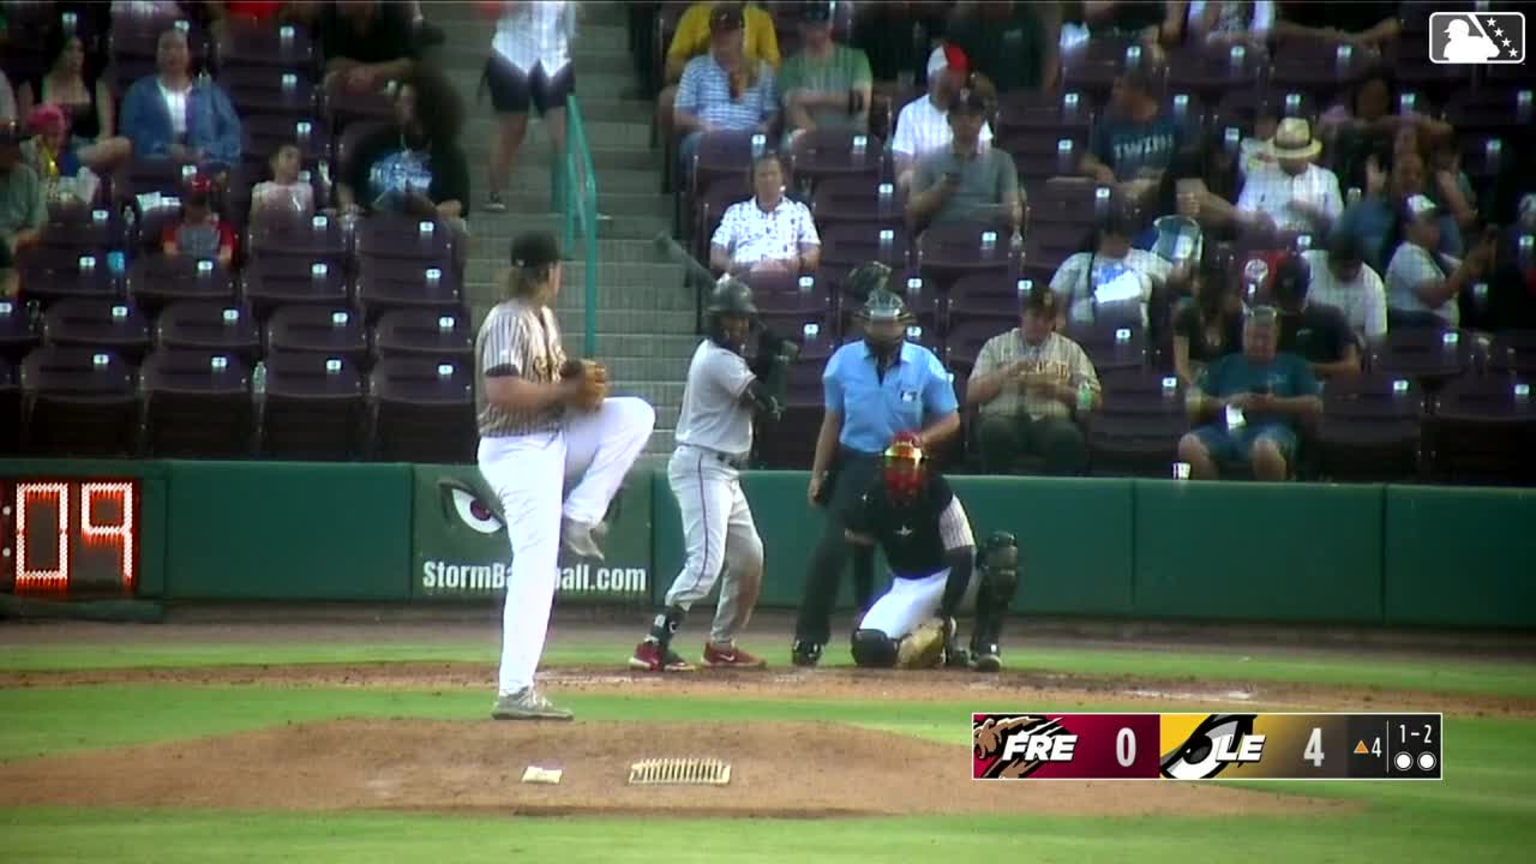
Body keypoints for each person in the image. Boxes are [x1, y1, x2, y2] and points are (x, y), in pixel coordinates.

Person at [476, 230, 657, 720]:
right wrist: (566, 390)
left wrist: (574, 379)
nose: (562, 275)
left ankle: (578, 514)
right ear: (545, 272)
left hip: (551, 440)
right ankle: (514, 691)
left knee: (634, 415)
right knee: (535, 566)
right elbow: (502, 392)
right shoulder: (506, 319)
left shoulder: (544, 318)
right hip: (514, 449)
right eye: (557, 267)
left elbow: (554, 382)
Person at [792, 266, 961, 667]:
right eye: (877, 323)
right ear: (864, 323)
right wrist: (818, 473)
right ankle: (809, 637)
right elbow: (832, 421)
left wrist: (922, 439)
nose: (883, 330)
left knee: (910, 549)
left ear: (903, 324)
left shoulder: (925, 364)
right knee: (833, 548)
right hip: (855, 461)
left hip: (906, 463)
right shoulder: (843, 362)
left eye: (890, 323)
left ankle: (921, 626)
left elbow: (951, 419)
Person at [629, 277, 797, 673]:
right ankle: (654, 643)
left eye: (742, 320)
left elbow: (756, 388)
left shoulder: (727, 358)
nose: (737, 327)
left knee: (749, 557)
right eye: (731, 320)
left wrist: (768, 361)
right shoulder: (717, 359)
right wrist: (780, 364)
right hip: (703, 466)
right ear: (716, 321)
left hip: (724, 472)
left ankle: (721, 643)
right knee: (705, 564)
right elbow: (770, 405)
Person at [845, 433, 1020, 673]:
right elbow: (861, 557)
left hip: (950, 577)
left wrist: (943, 615)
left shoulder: (938, 491)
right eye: (895, 463)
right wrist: (863, 607)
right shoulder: (873, 498)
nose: (901, 471)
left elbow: (962, 558)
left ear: (921, 465)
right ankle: (936, 650)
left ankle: (984, 644)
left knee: (1003, 553)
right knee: (870, 648)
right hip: (906, 586)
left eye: (907, 464)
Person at [338, 65, 471, 269]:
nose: (399, 105)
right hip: (372, 221)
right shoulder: (374, 141)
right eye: (399, 99)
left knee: (458, 229)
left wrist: (432, 210)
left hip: (423, 227)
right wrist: (348, 206)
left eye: (407, 102)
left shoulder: (448, 153)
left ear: (426, 107)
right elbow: (345, 182)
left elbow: (458, 203)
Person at [966, 285, 1100, 476]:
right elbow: (972, 395)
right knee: (994, 432)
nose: (1040, 324)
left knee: (1067, 437)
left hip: (1051, 420)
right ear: (1023, 314)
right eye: (1035, 316)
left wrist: (1056, 390)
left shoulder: (1070, 350)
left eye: (1047, 319)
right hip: (1004, 417)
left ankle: (1054, 498)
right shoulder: (995, 346)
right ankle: (998, 496)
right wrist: (1007, 372)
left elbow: (1094, 399)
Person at [1177, 306, 1322, 482]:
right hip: (1224, 431)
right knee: (1189, 446)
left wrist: (1272, 404)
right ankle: (1217, 503)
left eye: (1265, 338)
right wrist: (1226, 402)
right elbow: (1193, 400)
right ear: (1243, 336)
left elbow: (1315, 404)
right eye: (1253, 337)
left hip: (1274, 431)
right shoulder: (1226, 364)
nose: (1258, 343)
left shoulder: (1293, 365)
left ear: (1276, 338)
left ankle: (1268, 507)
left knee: (1264, 450)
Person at [479, 0, 577, 213]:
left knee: (563, 132)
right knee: (513, 129)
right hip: (511, 54)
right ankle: (495, 193)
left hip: (554, 58)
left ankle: (580, 199)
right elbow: (486, 8)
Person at [673, 4, 779, 177]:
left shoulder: (762, 70)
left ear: (741, 34)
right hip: (709, 136)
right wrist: (704, 126)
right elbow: (679, 116)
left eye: (729, 32)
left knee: (766, 148)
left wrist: (765, 126)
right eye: (717, 32)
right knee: (695, 145)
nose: (722, 37)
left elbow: (773, 114)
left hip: (748, 135)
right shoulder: (695, 68)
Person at [119, 28, 243, 173]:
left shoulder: (211, 93)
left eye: (179, 47)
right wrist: (166, 148)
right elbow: (130, 132)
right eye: (166, 47)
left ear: (190, 53)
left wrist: (205, 151)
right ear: (156, 53)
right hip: (156, 168)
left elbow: (233, 134)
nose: (172, 53)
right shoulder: (139, 91)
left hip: (205, 166)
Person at [905, 82, 1022, 232]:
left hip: (988, 235)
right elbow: (912, 210)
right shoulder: (929, 160)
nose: (965, 121)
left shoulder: (1002, 161)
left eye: (972, 115)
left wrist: (1005, 212)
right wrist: (939, 191)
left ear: (983, 121)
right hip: (942, 237)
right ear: (949, 120)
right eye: (959, 115)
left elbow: (1013, 212)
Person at [16, 29, 133, 173]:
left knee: (123, 144)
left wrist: (85, 152)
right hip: (46, 150)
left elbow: (105, 133)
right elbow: (25, 132)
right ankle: (56, 166)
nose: (76, 56)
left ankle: (66, 166)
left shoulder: (98, 88)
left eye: (80, 50)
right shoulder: (30, 88)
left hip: (87, 153)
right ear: (56, 51)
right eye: (69, 50)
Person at [1384, 194, 1495, 330]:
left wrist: (1484, 247)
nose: (1437, 226)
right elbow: (1435, 296)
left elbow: (1468, 267)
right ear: (1408, 228)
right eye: (1429, 222)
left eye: (1437, 221)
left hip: (1438, 335)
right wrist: (1465, 270)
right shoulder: (1407, 253)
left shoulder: (1434, 256)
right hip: (1417, 336)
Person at [890, 45, 995, 189]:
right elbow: (902, 177)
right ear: (933, 75)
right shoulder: (910, 114)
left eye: (961, 73)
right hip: (924, 199)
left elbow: (986, 166)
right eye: (952, 73)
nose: (958, 80)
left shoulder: (973, 111)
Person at [1050, 207, 1173, 327]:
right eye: (1120, 239)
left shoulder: (1145, 260)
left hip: (1133, 333)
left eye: (1127, 239)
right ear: (1104, 235)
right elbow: (1055, 299)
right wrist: (1060, 321)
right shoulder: (1078, 262)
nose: (1125, 244)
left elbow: (1176, 276)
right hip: (1084, 332)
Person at [709, 152, 820, 277]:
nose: (769, 180)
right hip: (743, 278)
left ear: (783, 178)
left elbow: (813, 252)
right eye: (763, 175)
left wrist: (800, 262)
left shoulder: (799, 211)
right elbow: (716, 253)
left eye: (773, 174)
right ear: (753, 181)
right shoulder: (736, 212)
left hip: (786, 279)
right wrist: (731, 266)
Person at [777, 1, 871, 146]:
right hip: (809, 146)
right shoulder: (790, 67)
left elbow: (860, 102)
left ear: (830, 24)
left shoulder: (856, 59)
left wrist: (812, 97)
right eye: (811, 24)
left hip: (851, 144)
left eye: (822, 23)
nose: (817, 30)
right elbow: (793, 109)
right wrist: (824, 146)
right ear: (801, 27)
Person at [1079, 68, 1184, 198]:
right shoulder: (1109, 126)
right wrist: (1099, 169)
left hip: (1163, 196)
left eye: (1119, 87)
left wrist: (1160, 176)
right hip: (1121, 197)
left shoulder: (1173, 123)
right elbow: (1086, 162)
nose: (1113, 93)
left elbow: (1189, 169)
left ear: (1139, 91)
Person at [1235, 118, 1344, 236]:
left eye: (1295, 157)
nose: (1289, 161)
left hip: (1314, 245)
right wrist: (1258, 220)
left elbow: (1339, 228)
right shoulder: (1258, 177)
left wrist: (1313, 212)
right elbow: (1241, 217)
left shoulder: (1327, 179)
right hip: (1268, 244)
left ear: (1307, 155)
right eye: (1285, 156)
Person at [1269, 253, 1361, 379]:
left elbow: (1352, 367)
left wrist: (1309, 368)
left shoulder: (1331, 317)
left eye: (1294, 298)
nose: (1288, 304)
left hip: (1324, 389)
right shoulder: (1265, 321)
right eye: (1283, 297)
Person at [943, 0, 1060, 94]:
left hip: (1022, 102)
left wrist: (1037, 99)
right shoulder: (963, 22)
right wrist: (970, 82)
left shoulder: (1030, 16)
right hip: (977, 103)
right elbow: (954, 70)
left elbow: (1047, 64)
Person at [1301, 234, 1388, 347]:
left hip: (1354, 348)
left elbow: (1377, 338)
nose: (1350, 272)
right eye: (1345, 267)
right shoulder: (1306, 264)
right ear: (1328, 259)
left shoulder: (1373, 282)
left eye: (1355, 266)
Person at [317, 0, 418, 98]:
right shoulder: (331, 11)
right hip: (347, 92)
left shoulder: (395, 10)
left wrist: (371, 72)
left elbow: (407, 64)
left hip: (389, 93)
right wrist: (378, 71)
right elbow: (332, 62)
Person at [1172, 258, 1245, 387]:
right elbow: (1181, 368)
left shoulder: (1236, 318)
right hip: (1192, 382)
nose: (1239, 301)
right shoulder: (1186, 314)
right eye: (1234, 294)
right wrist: (1198, 392)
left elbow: (1238, 364)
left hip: (1223, 382)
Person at [160, 174, 237, 267]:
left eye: (201, 203)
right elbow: (171, 258)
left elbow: (225, 260)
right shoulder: (172, 228)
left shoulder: (223, 229)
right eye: (194, 203)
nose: (198, 210)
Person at [0, 123, 45, 266]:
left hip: (20, 251)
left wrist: (17, 240)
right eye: (4, 146)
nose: (12, 151)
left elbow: (37, 225)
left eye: (14, 145)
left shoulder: (27, 176)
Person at [248, 142, 315, 230]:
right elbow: (255, 223)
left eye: (298, 159)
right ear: (273, 162)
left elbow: (309, 222)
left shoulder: (306, 189)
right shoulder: (261, 190)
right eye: (289, 156)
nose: (295, 162)